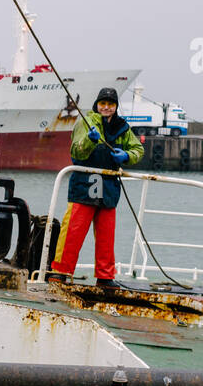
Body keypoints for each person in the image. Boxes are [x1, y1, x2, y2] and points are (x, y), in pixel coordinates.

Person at [48, 86, 143, 287]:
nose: (106, 107)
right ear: (97, 105)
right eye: (103, 103)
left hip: (108, 186)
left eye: (110, 104)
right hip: (84, 183)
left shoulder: (123, 128)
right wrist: (90, 142)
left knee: (106, 235)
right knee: (73, 229)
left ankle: (105, 277)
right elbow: (77, 152)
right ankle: (60, 271)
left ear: (116, 107)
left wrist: (127, 156)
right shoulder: (86, 122)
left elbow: (138, 149)